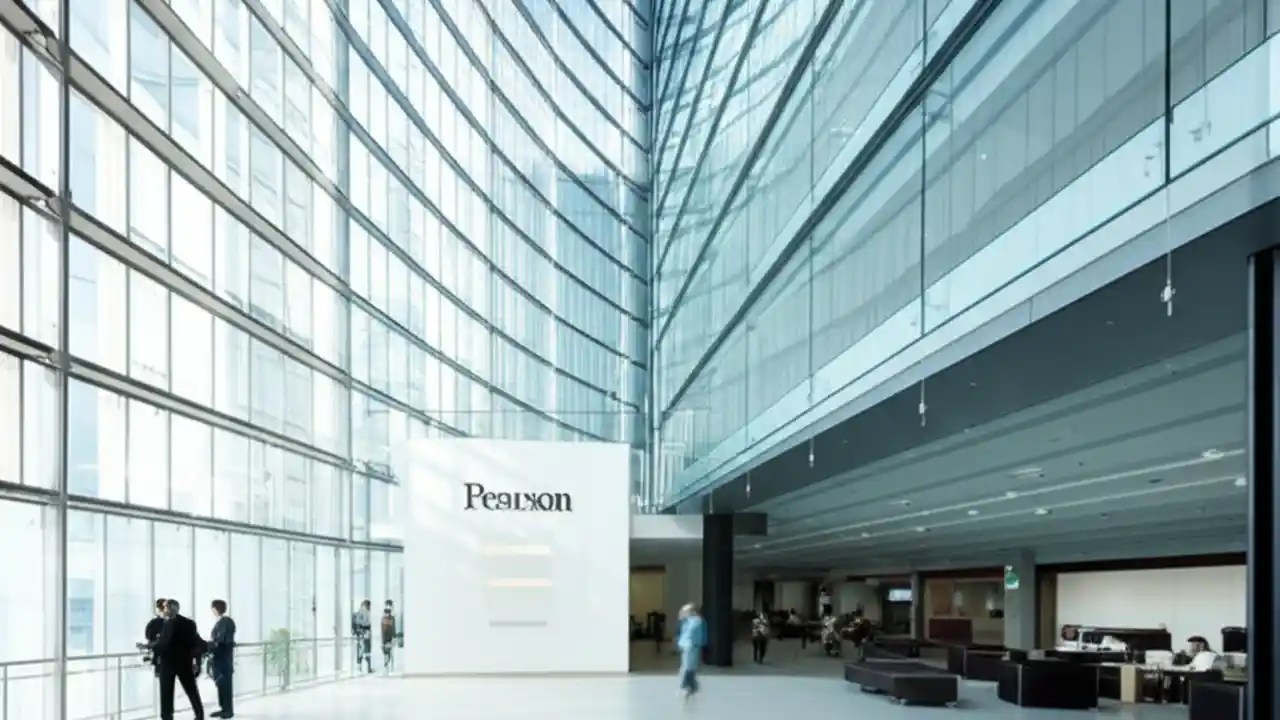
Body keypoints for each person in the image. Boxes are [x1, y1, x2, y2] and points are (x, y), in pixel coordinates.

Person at [154, 599, 206, 720]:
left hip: (168, 663)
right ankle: (199, 715)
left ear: (172, 609)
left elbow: (164, 644)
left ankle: (167, 717)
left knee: (166, 692)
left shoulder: (168, 623)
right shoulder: (189, 623)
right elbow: (195, 642)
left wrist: (151, 647)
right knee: (191, 690)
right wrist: (196, 660)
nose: (164, 610)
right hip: (185, 662)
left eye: (166, 608)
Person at [208, 599, 237, 718]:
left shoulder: (226, 621)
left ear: (216, 609)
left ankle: (227, 710)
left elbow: (222, 640)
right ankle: (224, 708)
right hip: (221, 658)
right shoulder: (222, 621)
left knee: (225, 684)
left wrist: (212, 645)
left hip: (223, 659)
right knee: (221, 684)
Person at [676, 603, 706, 703]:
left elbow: (691, 633)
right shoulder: (688, 621)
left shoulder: (696, 621)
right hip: (687, 646)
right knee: (688, 666)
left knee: (687, 667)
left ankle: (686, 686)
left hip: (691, 646)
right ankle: (692, 686)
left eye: (686, 611)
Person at [352, 600, 373, 673]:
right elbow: (360, 622)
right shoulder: (363, 611)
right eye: (369, 605)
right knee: (364, 649)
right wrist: (365, 627)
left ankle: (363, 667)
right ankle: (365, 667)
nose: (370, 607)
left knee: (364, 649)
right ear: (367, 605)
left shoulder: (364, 611)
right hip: (364, 632)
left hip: (364, 633)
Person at [380, 602, 398, 672]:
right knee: (388, 652)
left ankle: (388, 667)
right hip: (387, 637)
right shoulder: (387, 618)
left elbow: (392, 628)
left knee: (389, 652)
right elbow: (385, 629)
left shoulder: (390, 617)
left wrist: (394, 636)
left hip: (388, 637)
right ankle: (388, 667)